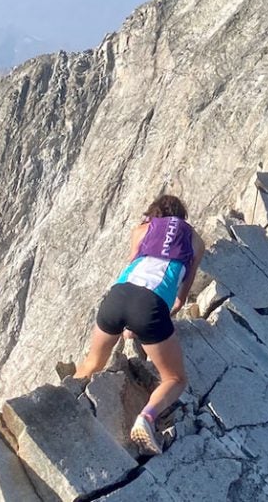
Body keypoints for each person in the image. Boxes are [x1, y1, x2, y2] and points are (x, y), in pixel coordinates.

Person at [74, 194, 205, 455]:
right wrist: (163, 318)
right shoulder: (195, 240)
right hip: (149, 305)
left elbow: (133, 261)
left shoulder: (142, 229)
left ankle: (65, 403)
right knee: (175, 378)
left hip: (118, 295)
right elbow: (182, 293)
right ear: (182, 217)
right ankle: (146, 419)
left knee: (92, 363)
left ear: (153, 213)